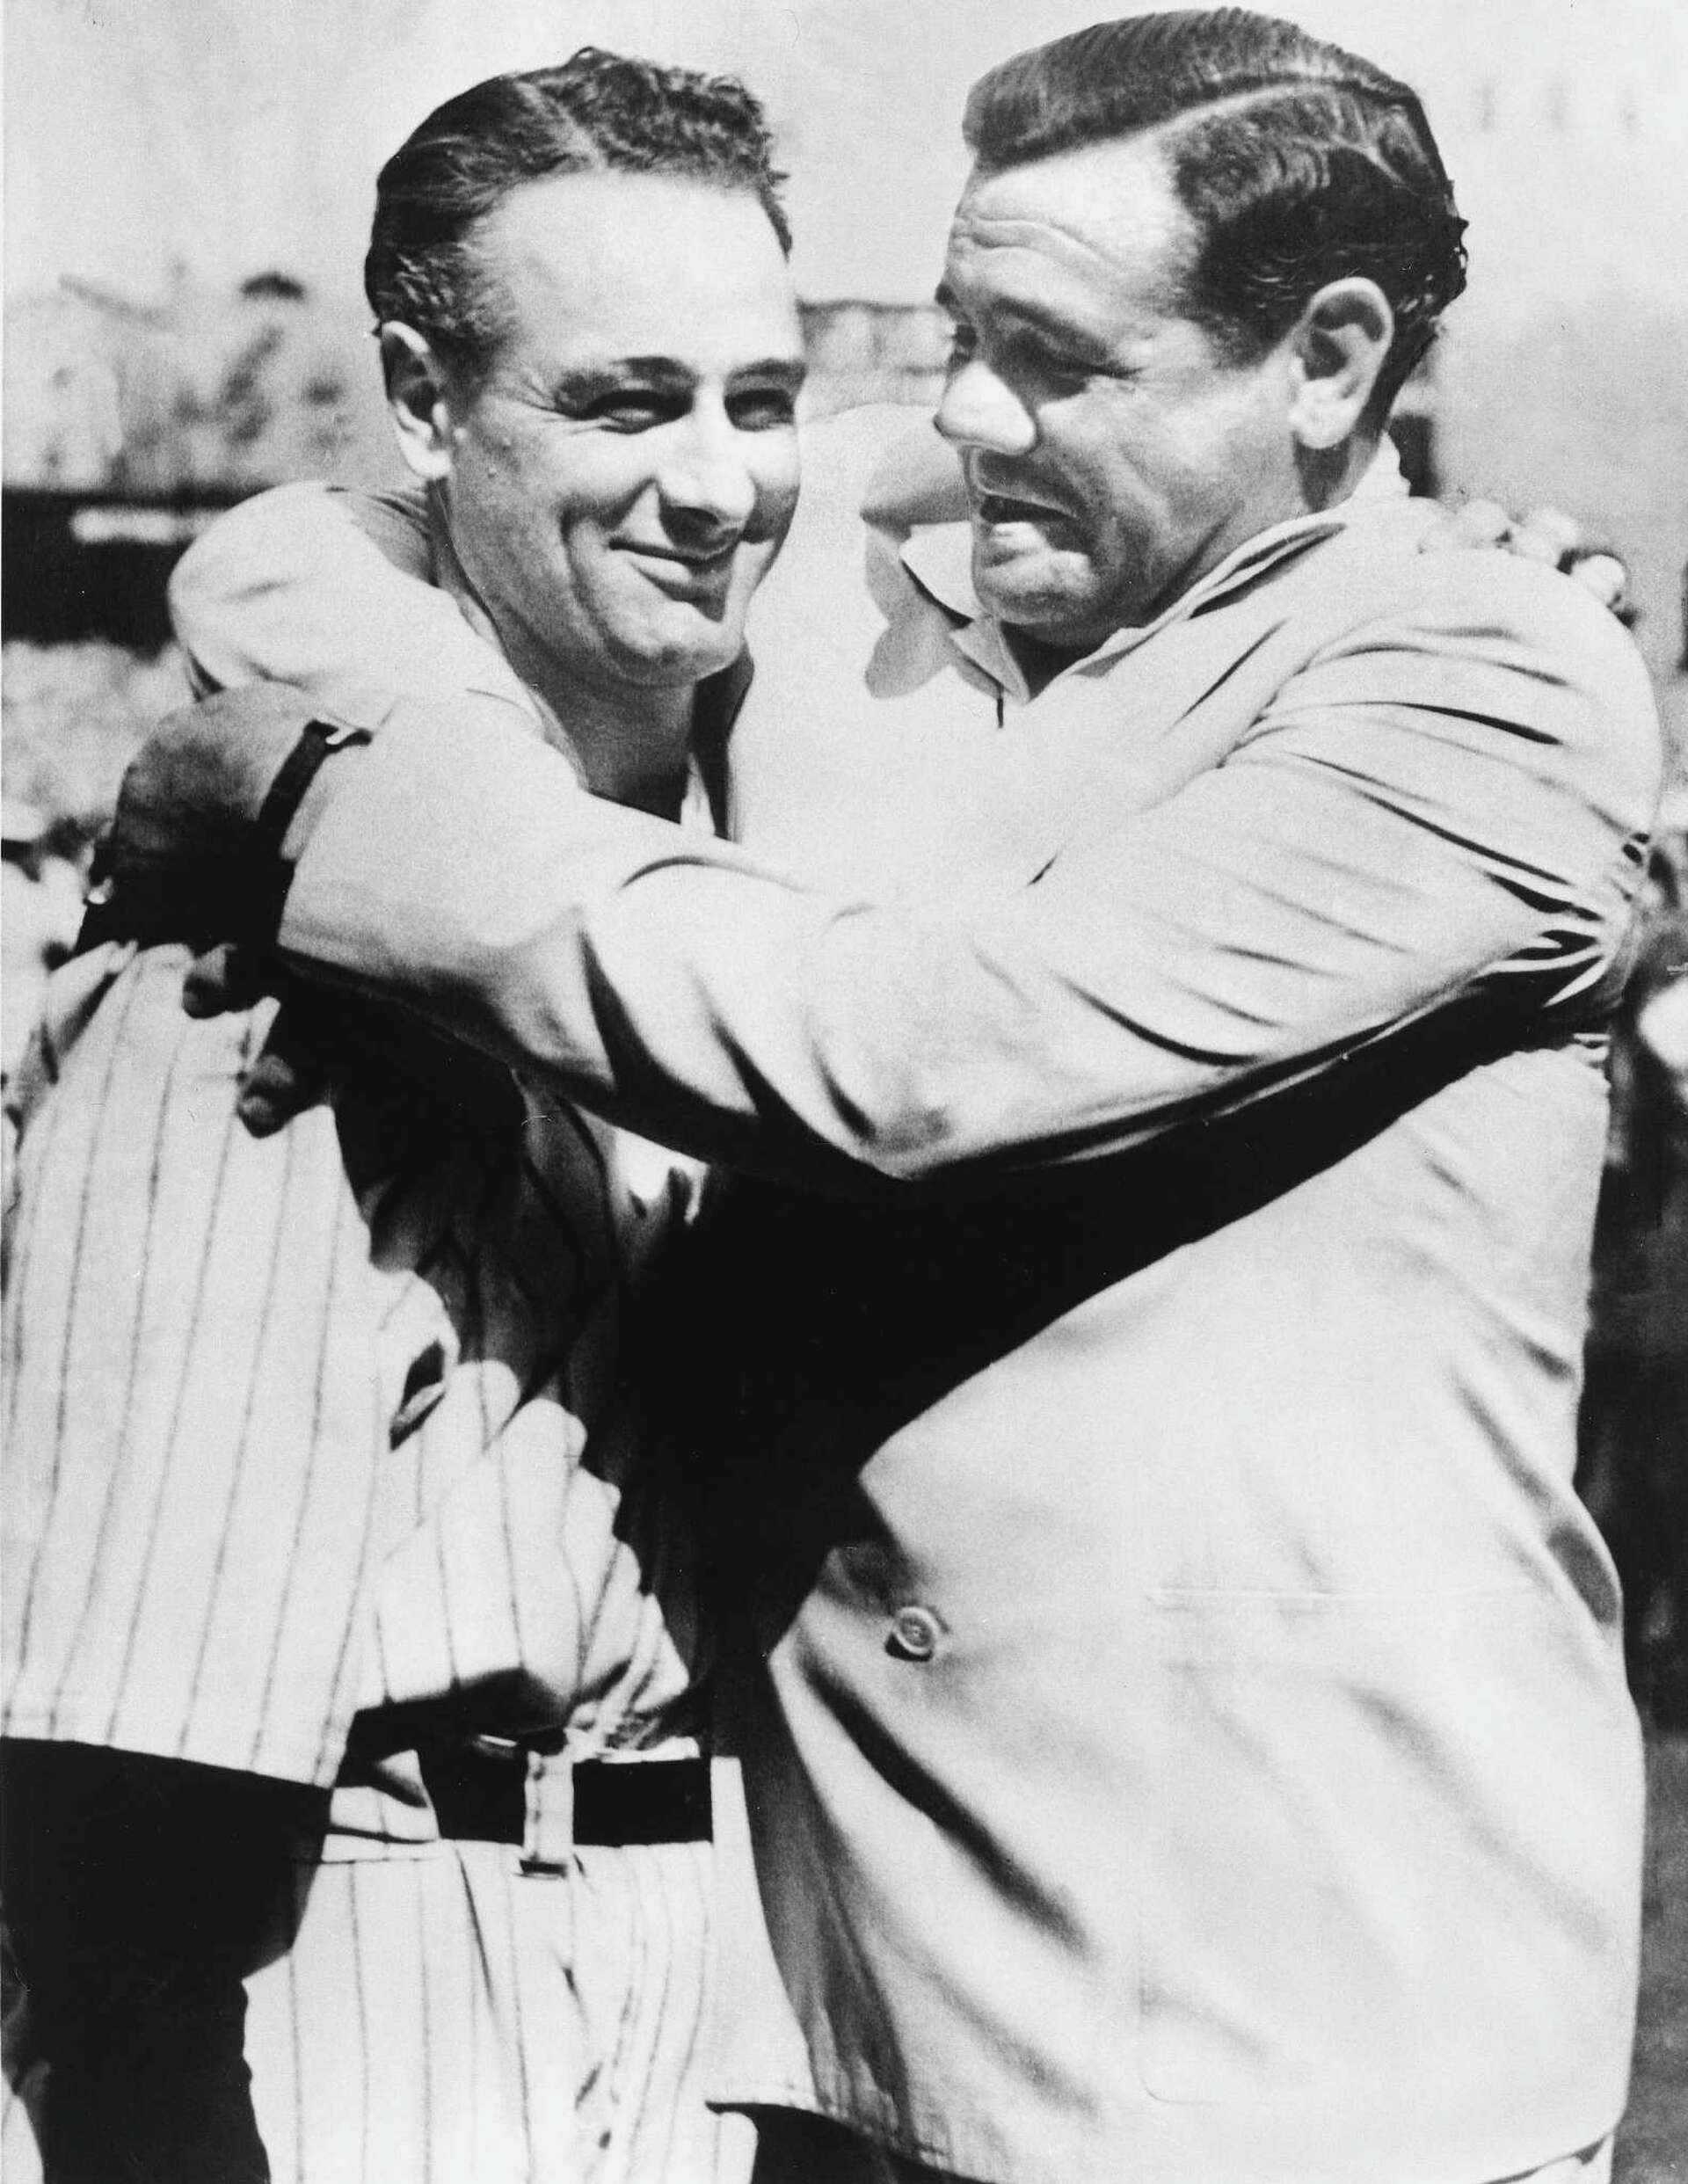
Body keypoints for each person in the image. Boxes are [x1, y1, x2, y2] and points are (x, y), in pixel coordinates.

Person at [106, 11, 1662, 2183]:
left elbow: (910, 1059)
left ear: (1327, 361)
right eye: (958, 335)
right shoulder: (900, 569)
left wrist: (324, 809)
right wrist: (334, 698)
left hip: (1310, 2041)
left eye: (1055, 360)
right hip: (852, 2028)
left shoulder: (1482, 680)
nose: (967, 414)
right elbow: (323, 547)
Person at [1, 49, 806, 2184]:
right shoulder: (237, 997)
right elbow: (115, 1839)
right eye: (625, 404)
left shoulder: (769, 883)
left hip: (715, 1991)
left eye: (761, 398)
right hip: (369, 1983)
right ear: (426, 404)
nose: (715, 482)